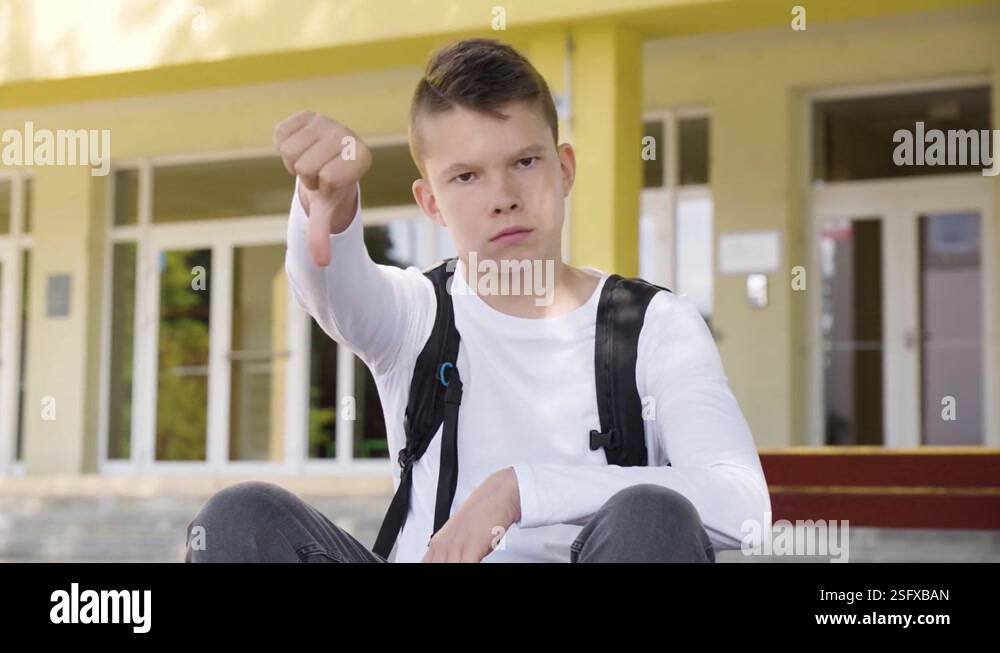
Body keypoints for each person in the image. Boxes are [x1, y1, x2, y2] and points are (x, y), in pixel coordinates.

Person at [185, 38, 770, 564]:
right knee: (242, 518)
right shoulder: (416, 314)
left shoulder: (654, 326)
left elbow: (742, 504)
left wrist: (519, 490)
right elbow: (332, 288)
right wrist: (330, 203)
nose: (503, 197)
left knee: (653, 515)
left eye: (524, 161)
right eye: (466, 177)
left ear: (564, 169)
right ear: (431, 201)